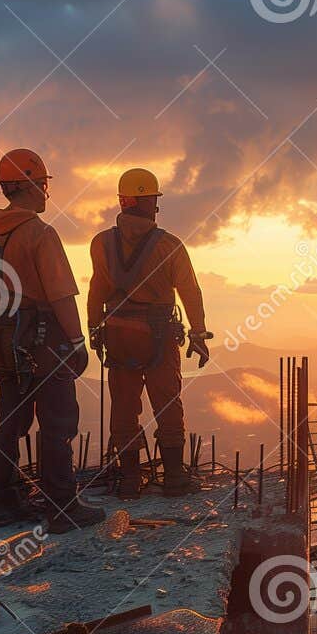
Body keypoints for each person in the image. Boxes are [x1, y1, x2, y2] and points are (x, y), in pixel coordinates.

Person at [0, 148, 105, 532]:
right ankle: (63, 507)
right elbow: (60, 295)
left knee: (11, 418)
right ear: (32, 184)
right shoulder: (40, 233)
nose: (46, 193)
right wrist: (77, 340)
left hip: (2, 334)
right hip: (44, 338)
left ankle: (3, 502)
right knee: (57, 422)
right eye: (44, 184)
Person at [86, 167, 211, 499]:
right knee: (167, 402)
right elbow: (190, 292)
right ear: (147, 203)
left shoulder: (101, 243)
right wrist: (198, 334)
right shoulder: (169, 246)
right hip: (157, 336)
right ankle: (173, 477)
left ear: (123, 202)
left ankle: (129, 480)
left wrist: (92, 326)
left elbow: (97, 288)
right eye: (154, 201)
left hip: (117, 335)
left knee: (123, 406)